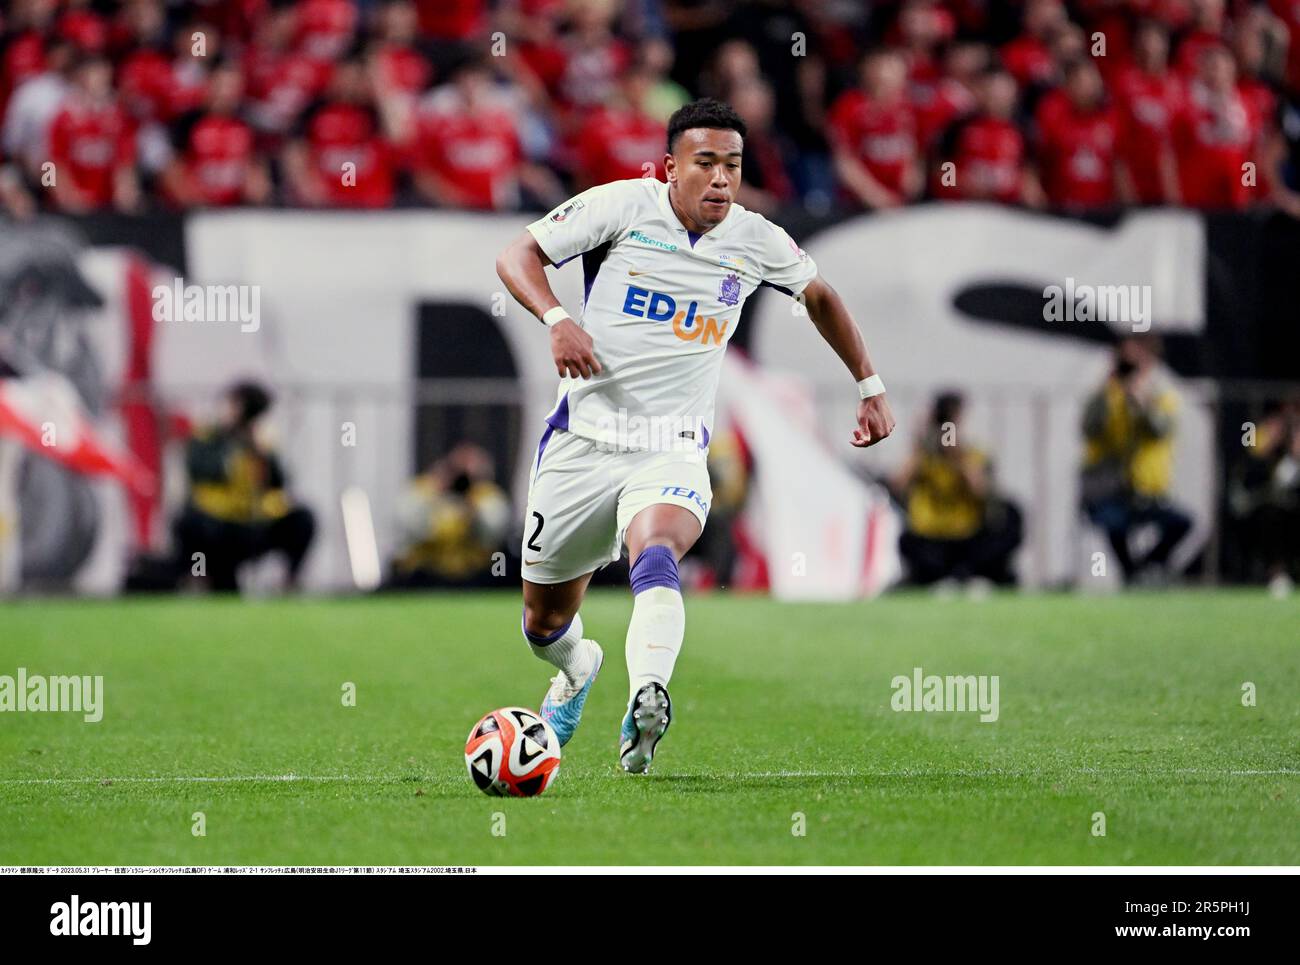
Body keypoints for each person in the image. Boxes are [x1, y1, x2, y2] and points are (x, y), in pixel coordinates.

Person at [495, 98, 895, 773]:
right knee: (543, 624)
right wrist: (558, 319)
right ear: (670, 166)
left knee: (657, 545)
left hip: (672, 444)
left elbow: (820, 295)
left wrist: (869, 384)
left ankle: (647, 696)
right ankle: (579, 667)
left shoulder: (755, 239)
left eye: (732, 165)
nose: (720, 179)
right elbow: (517, 254)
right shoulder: (622, 207)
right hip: (583, 440)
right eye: (705, 162)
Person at [174, 381, 315, 592]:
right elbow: (200, 470)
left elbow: (279, 483)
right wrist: (231, 444)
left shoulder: (262, 440)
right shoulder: (208, 436)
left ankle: (289, 581)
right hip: (218, 525)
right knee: (187, 524)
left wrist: (260, 452)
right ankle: (198, 576)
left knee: (303, 518)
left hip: (254, 523)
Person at [1081, 336, 1192, 584]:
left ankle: (1143, 569)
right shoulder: (1107, 397)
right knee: (1112, 523)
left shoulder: (1162, 397)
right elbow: (1089, 428)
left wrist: (1143, 401)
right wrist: (1107, 388)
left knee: (1182, 523)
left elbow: (1159, 430)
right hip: (1112, 492)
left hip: (1149, 492)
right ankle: (1132, 574)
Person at [894, 391, 1023, 590]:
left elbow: (981, 490)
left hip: (966, 536)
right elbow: (897, 486)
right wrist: (920, 444)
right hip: (929, 536)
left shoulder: (971, 454)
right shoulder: (923, 456)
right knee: (906, 541)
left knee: (1011, 516)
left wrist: (956, 455)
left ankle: (973, 575)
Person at [388, 443, 511, 588]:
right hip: (425, 573)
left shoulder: (486, 495)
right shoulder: (423, 490)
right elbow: (407, 530)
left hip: (474, 575)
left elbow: (494, 534)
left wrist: (473, 508)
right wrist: (434, 493)